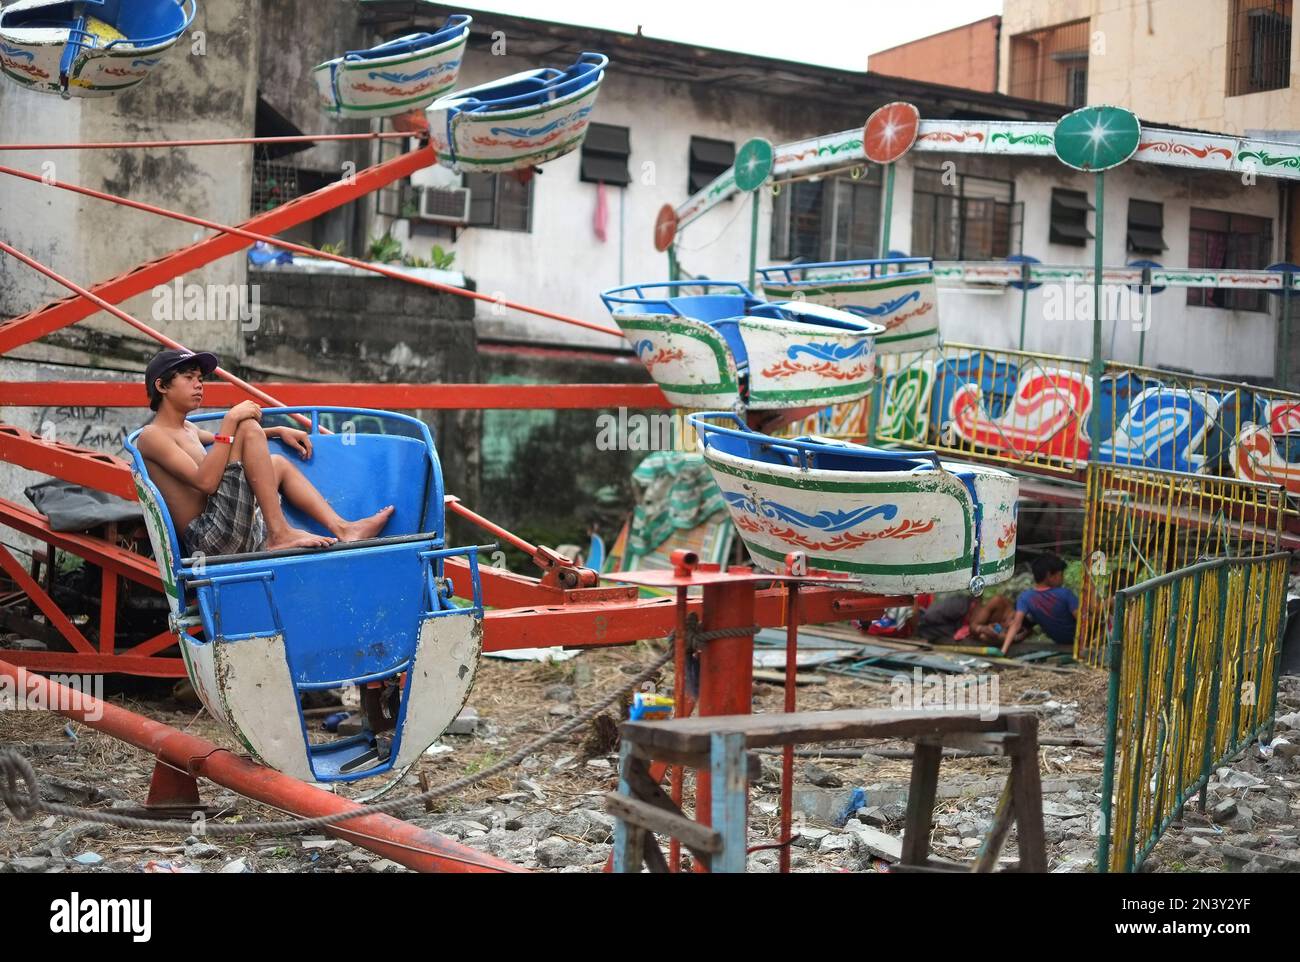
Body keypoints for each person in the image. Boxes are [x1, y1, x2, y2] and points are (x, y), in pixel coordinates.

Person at [135, 348, 394, 557]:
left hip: (229, 526)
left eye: (200, 379)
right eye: (189, 378)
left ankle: (344, 528)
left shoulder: (188, 428)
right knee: (247, 425)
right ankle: (279, 533)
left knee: (277, 462)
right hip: (209, 540)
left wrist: (278, 430)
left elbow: (227, 441)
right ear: (162, 386)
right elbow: (206, 481)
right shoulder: (152, 436)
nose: (199, 385)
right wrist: (230, 419)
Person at [1002, 553, 1079, 654]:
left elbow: (1016, 624)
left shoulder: (1026, 597)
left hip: (1059, 640)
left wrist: (1003, 650)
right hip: (1077, 639)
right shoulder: (1065, 594)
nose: (1062, 579)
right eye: (1060, 575)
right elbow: (1081, 620)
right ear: (1049, 575)